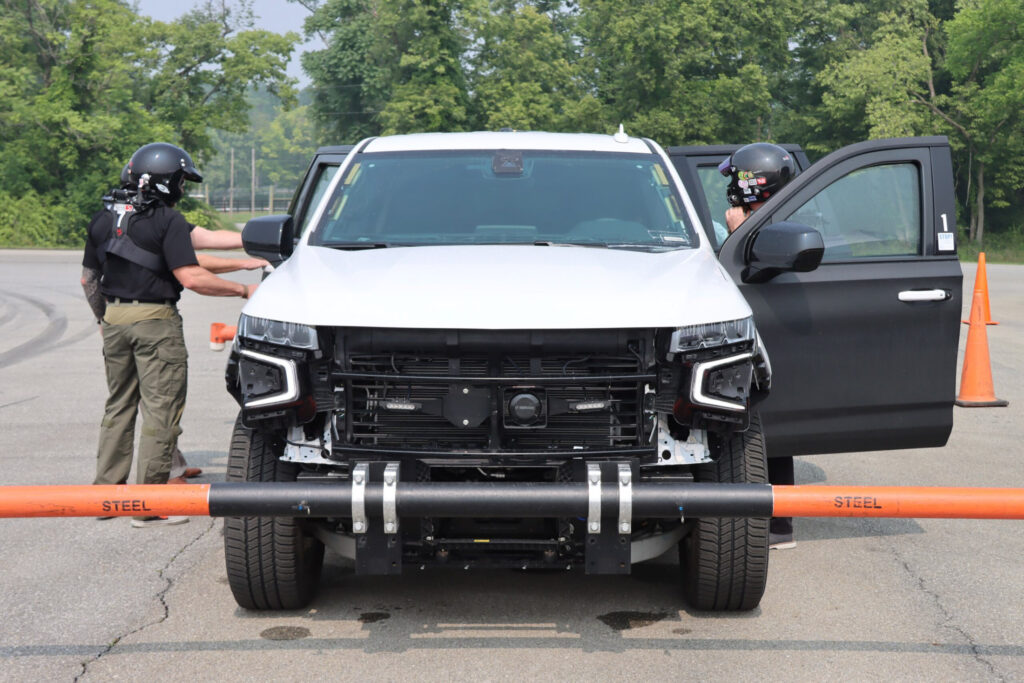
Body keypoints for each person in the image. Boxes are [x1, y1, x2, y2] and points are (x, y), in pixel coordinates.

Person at [82, 142, 258, 527]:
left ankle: (105, 497)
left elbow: (89, 279)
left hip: (114, 320)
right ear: (166, 182)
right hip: (155, 324)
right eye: (180, 180)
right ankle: (149, 503)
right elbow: (191, 276)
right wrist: (245, 290)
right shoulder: (166, 221)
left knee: (119, 406)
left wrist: (104, 321)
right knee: (161, 410)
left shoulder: (104, 218)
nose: (182, 187)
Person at [718, 142, 799, 550]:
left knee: (763, 420)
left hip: (767, 333)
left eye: (735, 179)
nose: (730, 188)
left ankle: (778, 524)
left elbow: (743, 273)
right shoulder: (767, 221)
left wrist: (737, 234)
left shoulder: (773, 228)